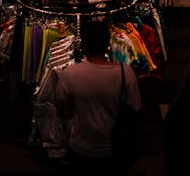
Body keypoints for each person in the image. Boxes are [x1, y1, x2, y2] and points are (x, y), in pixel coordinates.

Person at [56, 19, 141, 172]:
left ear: (84, 45)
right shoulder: (125, 72)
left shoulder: (69, 75)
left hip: (80, 148)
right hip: (116, 148)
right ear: (108, 44)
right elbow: (135, 108)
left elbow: (63, 111)